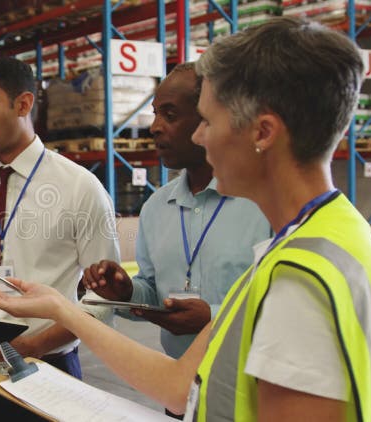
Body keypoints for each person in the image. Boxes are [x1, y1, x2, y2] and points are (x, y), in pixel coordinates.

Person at [0, 17, 371, 421]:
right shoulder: (327, 235)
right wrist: (62, 308)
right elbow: (181, 386)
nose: (198, 137)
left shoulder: (300, 280)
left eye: (208, 121)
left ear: (262, 133)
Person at [0, 57, 121, 421]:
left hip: (50, 369)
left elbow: (102, 302)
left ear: (23, 104)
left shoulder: (80, 188)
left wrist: (30, 346)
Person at [83, 63, 270, 391]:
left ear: (211, 118)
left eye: (170, 115)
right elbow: (153, 290)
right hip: (179, 387)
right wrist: (126, 293)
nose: (154, 127)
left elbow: (286, 306)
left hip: (251, 389)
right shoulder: (157, 207)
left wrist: (212, 317)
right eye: (155, 114)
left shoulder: (265, 204)